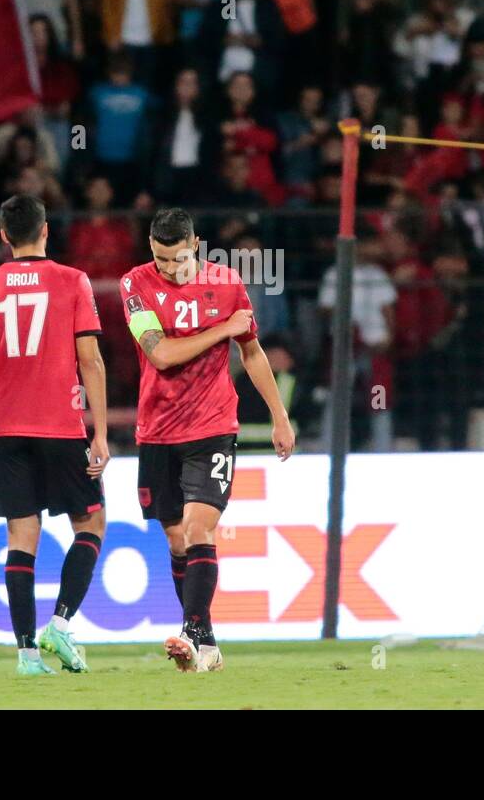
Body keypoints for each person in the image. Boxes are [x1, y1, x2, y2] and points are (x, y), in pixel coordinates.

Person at [0, 195, 110, 677]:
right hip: (62, 427)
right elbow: (92, 360)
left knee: (22, 536)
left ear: (3, 236)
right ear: (46, 231)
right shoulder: (72, 280)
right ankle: (60, 622)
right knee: (91, 525)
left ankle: (26, 655)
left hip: (7, 432)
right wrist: (99, 432)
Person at [119, 208, 294, 673]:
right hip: (156, 429)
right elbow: (160, 354)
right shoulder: (134, 285)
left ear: (196, 244)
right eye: (160, 259)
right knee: (176, 540)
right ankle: (208, 642)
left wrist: (280, 417)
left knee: (199, 529)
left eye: (177, 259)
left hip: (213, 426)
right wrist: (222, 329)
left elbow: (252, 353)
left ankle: (193, 633)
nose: (169, 270)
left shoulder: (229, 283)